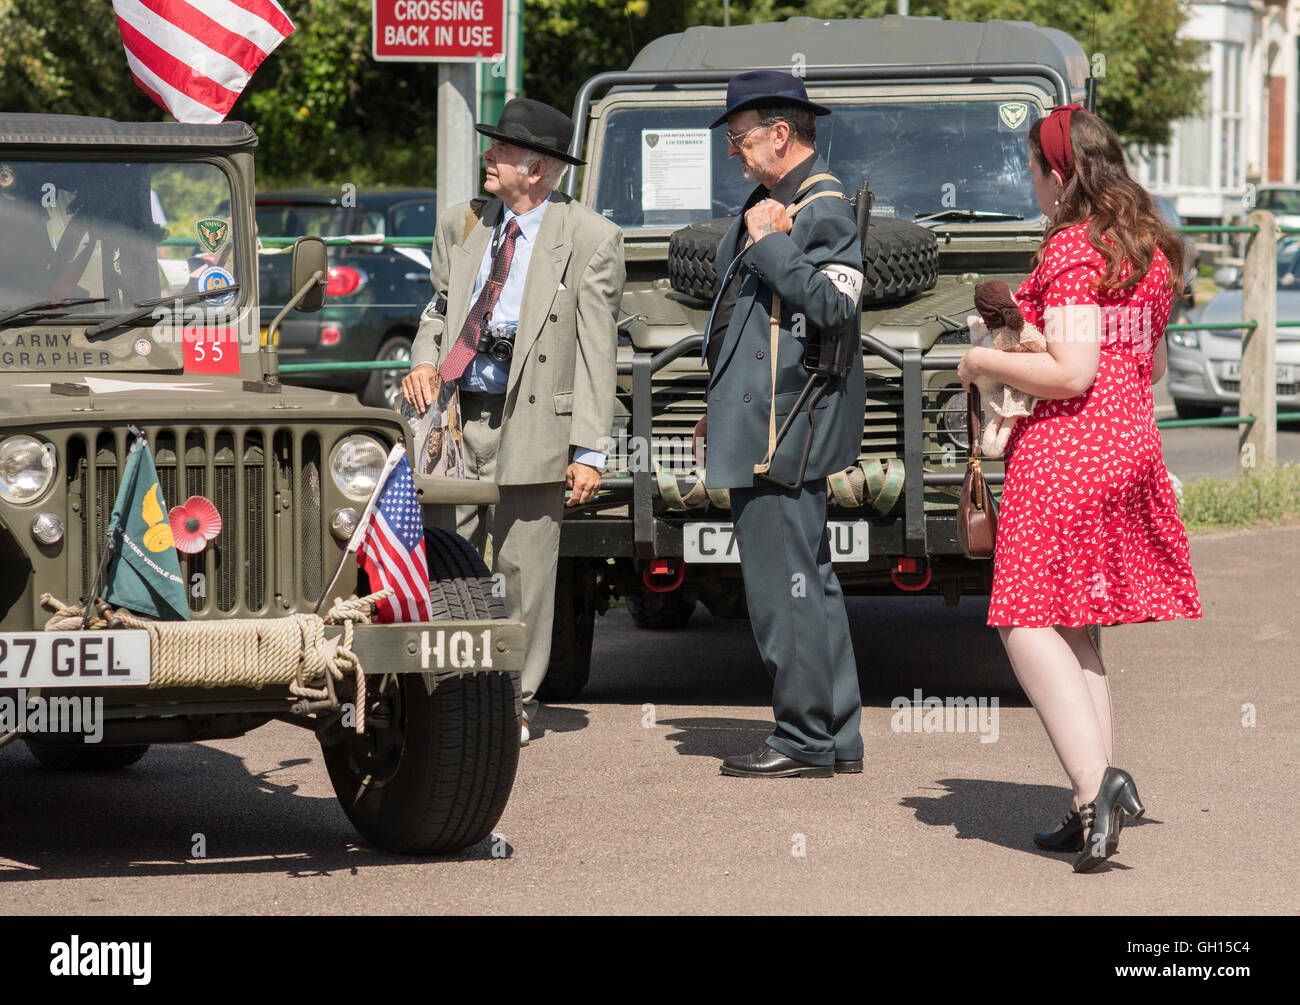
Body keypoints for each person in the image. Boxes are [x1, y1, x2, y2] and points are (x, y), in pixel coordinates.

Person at [956, 104, 1202, 871]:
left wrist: (981, 364)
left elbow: (1070, 371)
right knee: (1074, 624)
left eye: (1032, 170)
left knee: (1025, 620)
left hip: (1067, 454)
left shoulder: (1072, 247)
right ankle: (1088, 805)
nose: (1031, 183)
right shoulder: (1150, 252)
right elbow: (1148, 368)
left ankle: (1099, 784)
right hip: (1129, 447)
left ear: (1059, 173)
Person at [401, 98, 625, 746]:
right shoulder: (463, 223)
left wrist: (590, 450)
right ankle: (447, 692)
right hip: (455, 420)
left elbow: (595, 350)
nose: (487, 157)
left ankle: (514, 701)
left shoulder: (588, 236)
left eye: (500, 148)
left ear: (539, 167)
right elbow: (438, 311)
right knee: (446, 558)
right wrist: (423, 361)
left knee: (525, 574)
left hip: (534, 425)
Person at [696, 70, 867, 778]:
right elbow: (742, 322)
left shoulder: (819, 207)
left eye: (739, 140)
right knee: (810, 582)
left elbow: (833, 307)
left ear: (779, 134)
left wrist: (769, 242)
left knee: (782, 589)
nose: (733, 153)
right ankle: (836, 734)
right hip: (765, 421)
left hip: (783, 427)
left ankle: (804, 738)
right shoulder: (773, 202)